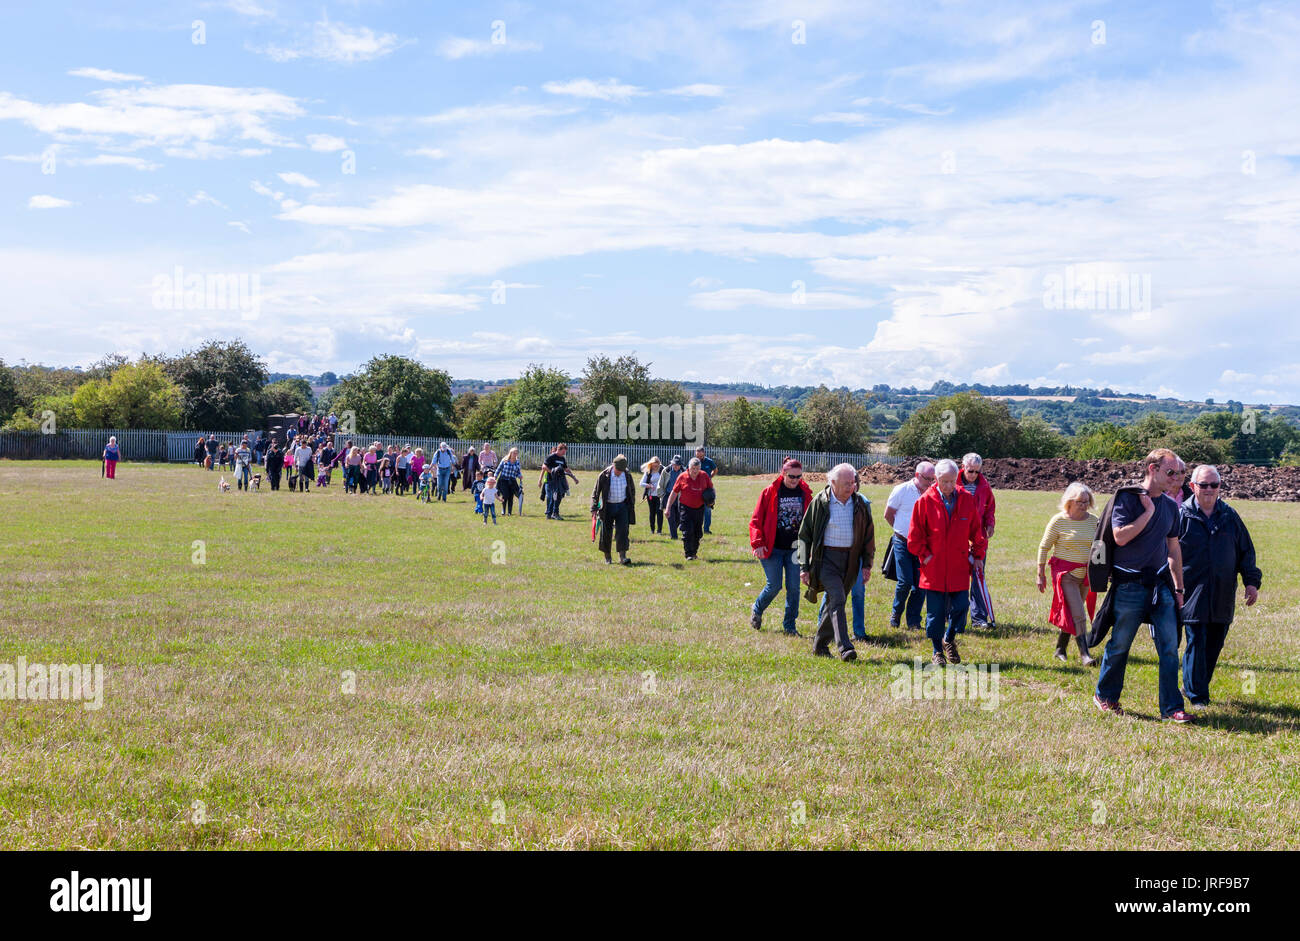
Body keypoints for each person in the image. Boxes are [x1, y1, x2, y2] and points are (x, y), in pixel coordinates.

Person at [1092, 448, 1191, 722]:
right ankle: (1106, 696)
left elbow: (1173, 548)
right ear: (1152, 469)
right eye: (1170, 472)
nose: (1175, 478)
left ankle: (1172, 707)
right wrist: (1147, 512)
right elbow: (1120, 537)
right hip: (1129, 585)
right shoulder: (1128, 499)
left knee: (1170, 646)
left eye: (1178, 473)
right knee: (1121, 643)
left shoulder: (1172, 507)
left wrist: (1179, 588)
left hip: (1161, 586)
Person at [1177, 464, 1262, 709]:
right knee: (1196, 638)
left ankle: (1193, 686)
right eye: (1203, 484)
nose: (1209, 489)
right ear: (1192, 486)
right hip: (1192, 592)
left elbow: (1246, 551)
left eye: (1214, 484)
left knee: (1214, 642)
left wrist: (1251, 582)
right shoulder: (1181, 515)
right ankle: (1197, 696)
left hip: (1223, 593)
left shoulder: (1230, 516)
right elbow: (1167, 553)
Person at [907, 459, 988, 666]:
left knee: (961, 606)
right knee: (935, 614)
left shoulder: (966, 500)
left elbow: (977, 532)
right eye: (945, 482)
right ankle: (937, 652)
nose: (950, 486)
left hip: (959, 568)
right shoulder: (924, 502)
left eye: (953, 481)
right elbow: (914, 538)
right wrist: (926, 556)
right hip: (933, 570)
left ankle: (949, 638)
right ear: (936, 479)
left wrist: (978, 555)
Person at [796, 463, 875, 661]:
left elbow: (868, 537)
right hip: (826, 560)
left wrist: (866, 565)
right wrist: (804, 567)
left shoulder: (860, 505)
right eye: (846, 483)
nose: (851, 487)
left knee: (834, 602)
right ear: (832, 483)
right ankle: (845, 648)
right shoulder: (820, 502)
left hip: (851, 561)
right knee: (838, 599)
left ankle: (820, 646)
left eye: (853, 483)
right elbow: (804, 536)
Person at [1036, 482, 1099, 665]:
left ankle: (1060, 648)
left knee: (1072, 612)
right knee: (1079, 613)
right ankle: (1085, 655)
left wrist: (1101, 568)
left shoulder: (1094, 521)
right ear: (1069, 502)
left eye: (1086, 501)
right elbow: (1044, 547)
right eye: (1080, 501)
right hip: (1065, 575)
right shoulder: (1059, 520)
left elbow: (1099, 547)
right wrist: (1040, 573)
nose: (1083, 505)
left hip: (1085, 575)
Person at [749, 459, 812, 636]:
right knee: (774, 585)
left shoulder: (805, 493)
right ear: (783, 473)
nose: (795, 480)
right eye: (791, 476)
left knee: (794, 588)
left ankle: (790, 626)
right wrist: (758, 543)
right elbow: (755, 521)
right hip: (772, 548)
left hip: (795, 549)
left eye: (799, 476)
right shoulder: (770, 492)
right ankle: (757, 608)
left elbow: (811, 522)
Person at [883, 461, 935, 630]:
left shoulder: (933, 494)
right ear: (917, 476)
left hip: (922, 545)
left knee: (921, 585)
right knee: (904, 581)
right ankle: (896, 613)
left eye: (932, 479)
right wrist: (901, 531)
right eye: (927, 479)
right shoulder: (901, 490)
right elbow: (888, 514)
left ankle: (913, 621)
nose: (930, 483)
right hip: (902, 542)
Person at [960, 453, 998, 629]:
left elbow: (990, 507)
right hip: (958, 538)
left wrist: (990, 524)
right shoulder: (953, 482)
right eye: (970, 471)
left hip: (978, 539)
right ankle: (951, 615)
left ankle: (979, 619)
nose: (973, 475)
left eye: (976, 471)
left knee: (978, 578)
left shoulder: (984, 486)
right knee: (956, 577)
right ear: (963, 467)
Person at [591, 454, 638, 564]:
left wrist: (631, 504)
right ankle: (608, 558)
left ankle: (623, 557)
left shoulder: (627, 474)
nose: (619, 472)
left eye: (621, 470)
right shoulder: (604, 475)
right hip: (608, 507)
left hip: (622, 506)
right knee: (606, 533)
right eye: (618, 470)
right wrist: (594, 507)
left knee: (623, 532)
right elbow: (596, 492)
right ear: (613, 465)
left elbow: (632, 489)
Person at [664, 456, 712, 560]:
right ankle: (688, 554)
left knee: (697, 532)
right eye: (693, 469)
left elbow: (711, 489)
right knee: (687, 531)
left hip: (699, 508)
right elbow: (674, 493)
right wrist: (667, 508)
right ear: (688, 468)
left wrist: (711, 500)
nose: (695, 471)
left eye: (697, 469)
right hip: (685, 508)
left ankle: (694, 552)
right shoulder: (682, 477)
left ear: (700, 468)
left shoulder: (704, 476)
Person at [541, 444, 579, 520]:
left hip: (560, 481)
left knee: (559, 497)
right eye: (563, 451)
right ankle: (549, 513)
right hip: (551, 481)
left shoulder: (562, 459)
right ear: (559, 449)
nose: (564, 453)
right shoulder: (551, 457)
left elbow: (566, 469)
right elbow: (544, 466)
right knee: (552, 497)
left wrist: (574, 477)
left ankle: (555, 513)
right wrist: (552, 471)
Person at [658, 455, 685, 539]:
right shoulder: (666, 471)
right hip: (668, 496)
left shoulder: (684, 472)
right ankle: (674, 536)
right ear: (672, 463)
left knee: (678, 518)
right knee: (671, 517)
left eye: (678, 465)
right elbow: (660, 484)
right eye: (675, 464)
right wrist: (662, 495)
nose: (676, 466)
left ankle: (673, 531)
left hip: (679, 497)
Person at [695, 447, 718, 533]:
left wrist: (710, 477)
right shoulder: (693, 462)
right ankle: (697, 529)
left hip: (707, 489)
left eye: (700, 456)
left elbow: (715, 469)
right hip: (696, 489)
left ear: (704, 453)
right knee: (696, 509)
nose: (699, 458)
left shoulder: (709, 461)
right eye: (697, 456)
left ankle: (706, 529)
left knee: (707, 509)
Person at [640, 457, 664, 534]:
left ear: (659, 464)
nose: (655, 466)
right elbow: (641, 483)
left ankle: (659, 531)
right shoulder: (648, 472)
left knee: (659, 512)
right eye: (654, 464)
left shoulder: (662, 471)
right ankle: (652, 530)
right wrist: (648, 485)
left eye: (657, 464)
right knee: (652, 513)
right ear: (651, 464)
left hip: (660, 496)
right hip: (651, 496)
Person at [496, 448, 523, 515]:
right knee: (505, 495)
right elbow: (499, 469)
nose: (515, 454)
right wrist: (495, 476)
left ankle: (509, 512)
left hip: (512, 481)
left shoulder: (517, 462)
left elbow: (518, 472)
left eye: (516, 453)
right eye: (514, 453)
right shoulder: (505, 460)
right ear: (510, 453)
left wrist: (520, 475)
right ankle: (503, 510)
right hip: (503, 480)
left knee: (511, 496)